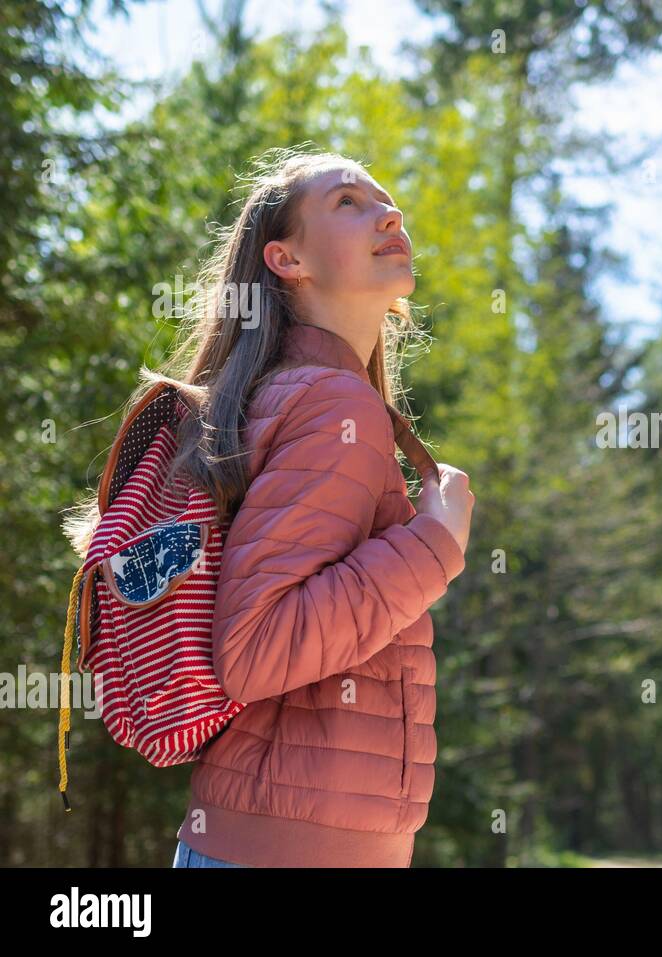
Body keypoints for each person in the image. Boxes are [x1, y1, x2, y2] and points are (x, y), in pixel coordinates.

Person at [133, 146, 473, 866]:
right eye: (348, 202)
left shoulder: (303, 391)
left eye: (386, 199)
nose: (390, 212)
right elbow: (254, 651)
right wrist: (435, 544)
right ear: (287, 260)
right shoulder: (331, 400)